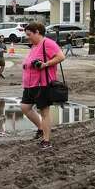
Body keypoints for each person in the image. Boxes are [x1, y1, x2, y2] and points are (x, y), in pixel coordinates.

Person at [20, 21, 65, 150]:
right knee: (25, 107)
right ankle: (40, 128)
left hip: (42, 84)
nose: (27, 37)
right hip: (30, 84)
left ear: (37, 32)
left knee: (44, 112)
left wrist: (45, 64)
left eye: (29, 34)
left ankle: (46, 140)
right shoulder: (34, 45)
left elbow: (61, 57)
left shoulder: (48, 43)